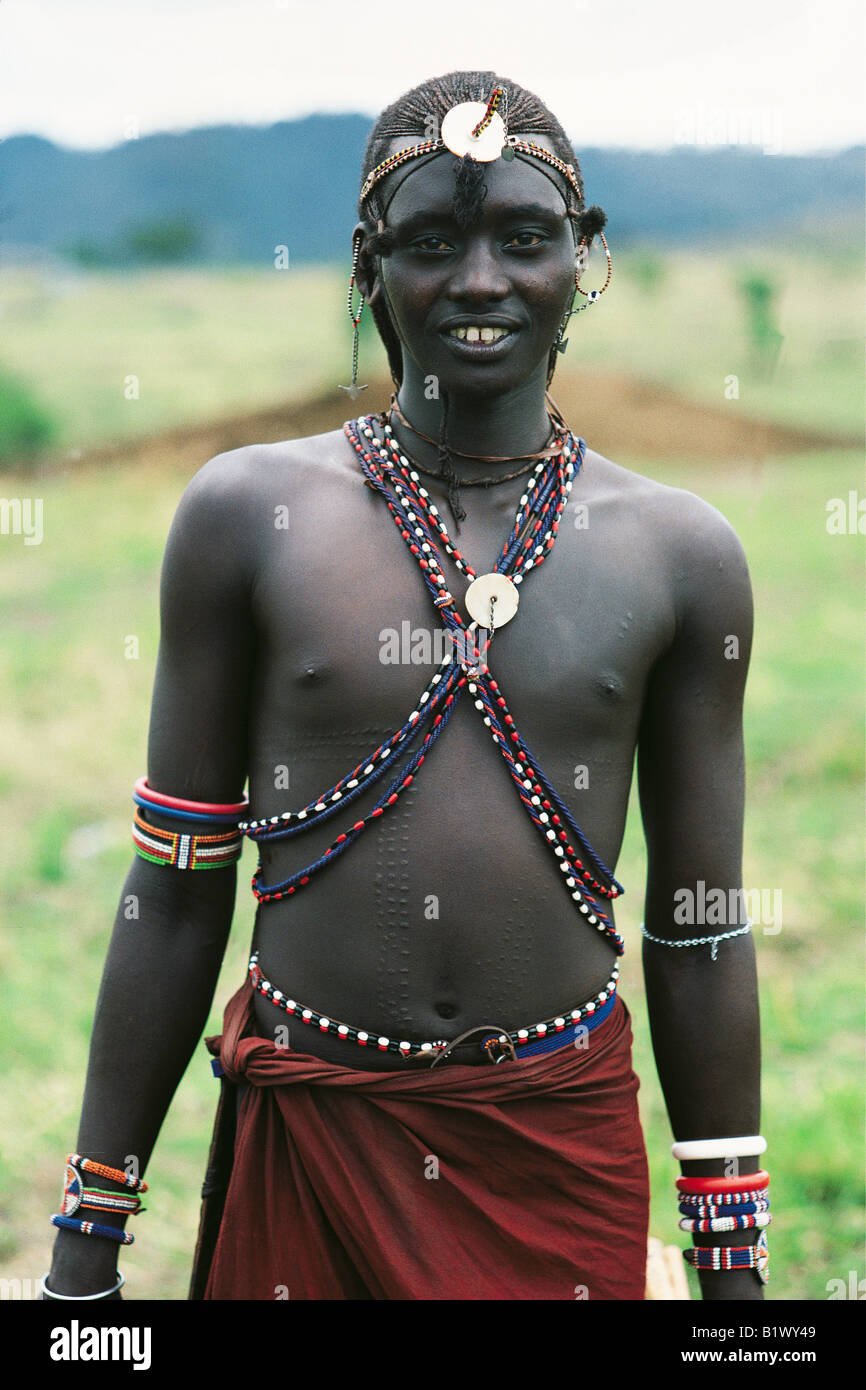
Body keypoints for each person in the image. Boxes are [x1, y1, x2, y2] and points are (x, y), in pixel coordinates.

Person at [43, 71, 766, 1303]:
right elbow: (171, 898)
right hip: (316, 1143)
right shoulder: (246, 518)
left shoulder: (678, 554)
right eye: (431, 241)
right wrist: (86, 1241)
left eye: (522, 240)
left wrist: (731, 1278)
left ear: (580, 261)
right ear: (367, 267)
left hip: (554, 1156)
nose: (479, 281)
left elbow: (696, 933)